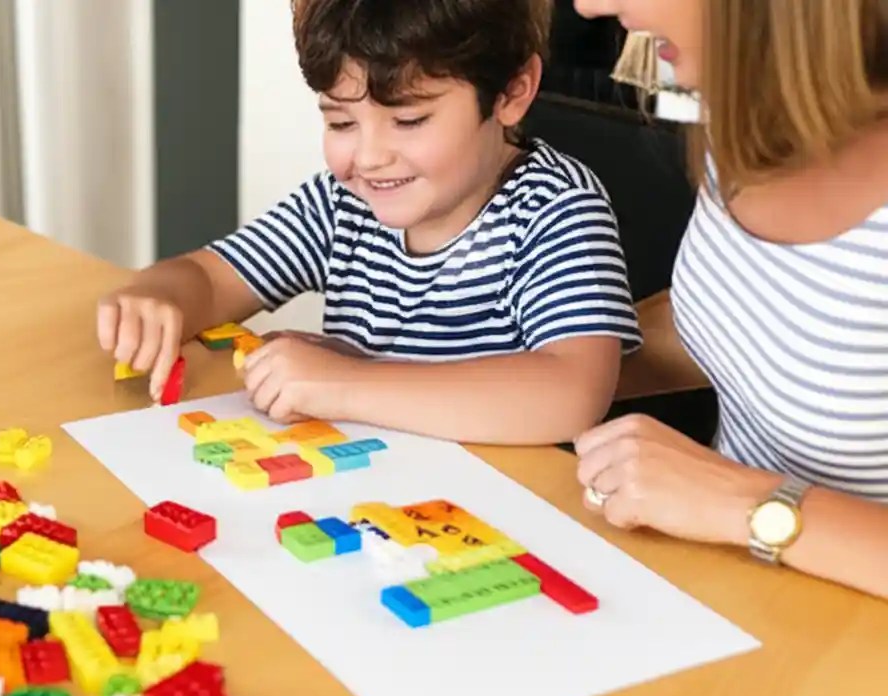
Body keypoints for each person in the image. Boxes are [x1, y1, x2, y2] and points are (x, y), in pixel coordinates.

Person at [96, 0, 642, 445]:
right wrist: (160, 295)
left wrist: (346, 383)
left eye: (408, 120)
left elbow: (572, 394)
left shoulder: (555, 208)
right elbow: (212, 279)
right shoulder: (344, 204)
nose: (370, 156)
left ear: (511, 92)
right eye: (340, 121)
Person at [571, 0, 888, 598]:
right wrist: (537, 366)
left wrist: (742, 503)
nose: (590, 5)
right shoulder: (746, 115)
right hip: (735, 596)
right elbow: (768, 327)